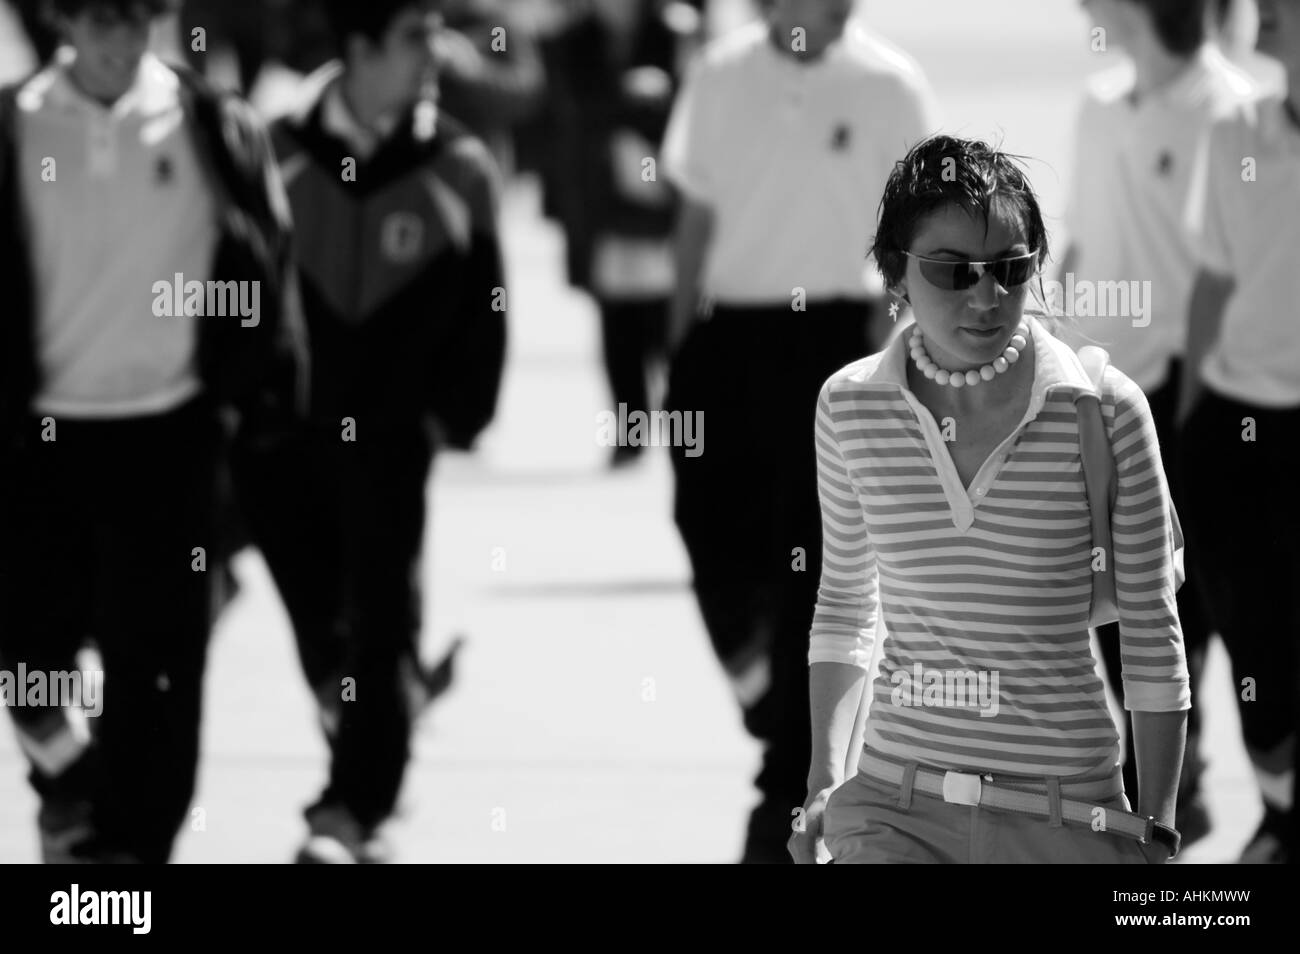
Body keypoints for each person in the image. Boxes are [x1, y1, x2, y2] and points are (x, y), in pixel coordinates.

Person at [790, 135, 1189, 864]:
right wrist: (824, 779)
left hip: (1068, 816)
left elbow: (1151, 632)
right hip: (892, 808)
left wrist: (1158, 827)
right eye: (953, 271)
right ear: (895, 273)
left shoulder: (1103, 409)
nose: (987, 296)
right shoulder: (848, 406)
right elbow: (847, 602)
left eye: (1011, 268)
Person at [0, 0, 305, 863]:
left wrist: (269, 407)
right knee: (28, 660)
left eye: (138, 19)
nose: (120, 41)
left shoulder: (210, 124)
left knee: (158, 675)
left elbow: (268, 266)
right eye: (101, 20)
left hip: (168, 437)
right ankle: (71, 783)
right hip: (38, 439)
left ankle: (125, 861)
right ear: (65, 22)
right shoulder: (16, 124)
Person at [230, 0, 507, 863]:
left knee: (382, 615)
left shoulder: (460, 164)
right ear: (358, 47)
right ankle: (369, 722)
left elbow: (486, 307)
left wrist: (451, 416)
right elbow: (228, 284)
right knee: (325, 630)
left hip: (391, 441)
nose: (439, 52)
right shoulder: (268, 152)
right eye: (416, 36)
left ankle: (352, 809)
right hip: (278, 443)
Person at [660, 0, 936, 862]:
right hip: (725, 340)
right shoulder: (718, 73)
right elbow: (696, 215)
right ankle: (762, 691)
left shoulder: (892, 86)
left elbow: (913, 242)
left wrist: (900, 354)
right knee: (705, 528)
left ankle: (789, 776)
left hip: (836, 338)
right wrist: (675, 346)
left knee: (811, 556)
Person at [1060, 0, 1257, 848]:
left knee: (1201, 595)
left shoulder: (1231, 107)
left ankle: (1192, 774)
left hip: (1191, 393)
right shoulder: (1097, 106)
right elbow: (1078, 242)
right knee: (1109, 593)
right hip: (1101, 382)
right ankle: (1177, 775)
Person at [1180, 0, 1300, 865]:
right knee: (1252, 630)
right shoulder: (1235, 132)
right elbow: (1213, 282)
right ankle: (1281, 804)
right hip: (1231, 423)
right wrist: (1186, 418)